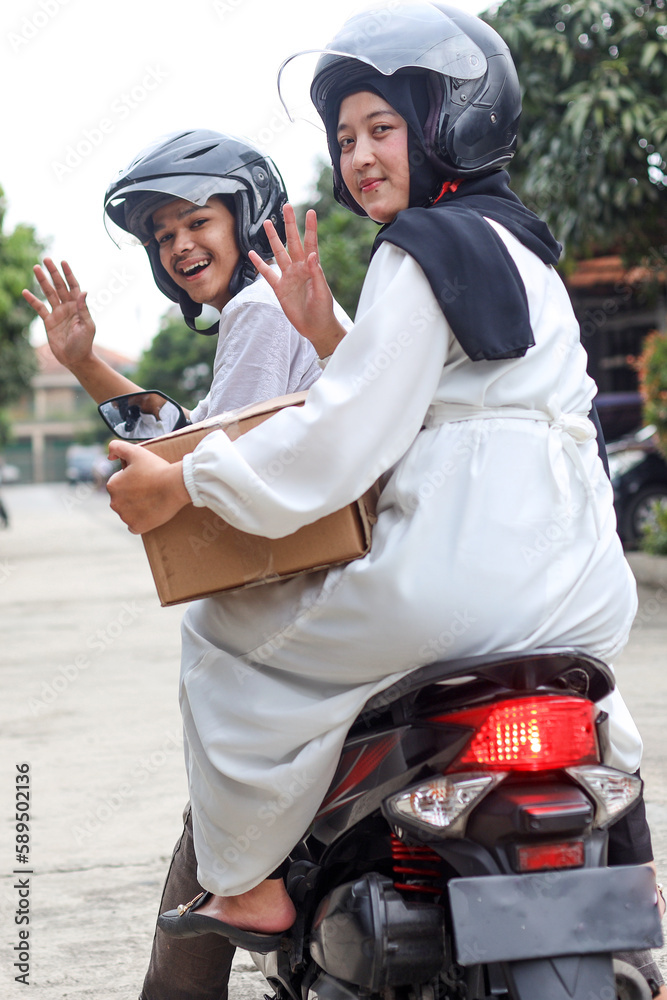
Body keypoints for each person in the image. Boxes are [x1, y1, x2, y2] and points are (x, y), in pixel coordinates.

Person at [101, 6, 664, 990]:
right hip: (578, 587)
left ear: (447, 122)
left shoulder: (418, 246)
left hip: (453, 585)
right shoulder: (520, 247)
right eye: (346, 136)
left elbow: (336, 446)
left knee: (225, 640)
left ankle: (247, 882)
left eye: (382, 127)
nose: (359, 155)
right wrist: (333, 337)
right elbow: (445, 398)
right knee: (600, 714)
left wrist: (183, 480)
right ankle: (636, 891)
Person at [22, 129, 350, 1000]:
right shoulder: (272, 310)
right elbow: (190, 437)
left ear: (244, 221)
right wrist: (84, 360)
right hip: (360, 586)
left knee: (213, 807)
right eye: (163, 236)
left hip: (305, 599)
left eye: (195, 222)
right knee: (213, 825)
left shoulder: (256, 311)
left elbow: (201, 471)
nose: (178, 246)